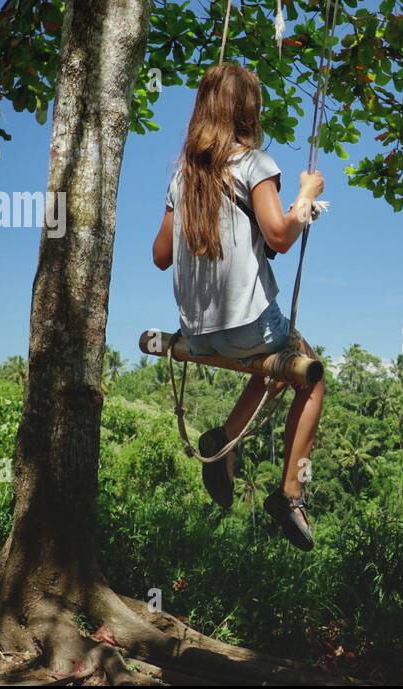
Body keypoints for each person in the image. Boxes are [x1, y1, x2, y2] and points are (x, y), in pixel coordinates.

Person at [151, 63, 325, 551]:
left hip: (198, 333)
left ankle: (222, 443)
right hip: (248, 324)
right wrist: (305, 200)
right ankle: (290, 493)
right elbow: (279, 236)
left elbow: (161, 256)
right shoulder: (254, 163)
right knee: (309, 372)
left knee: (272, 370)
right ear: (249, 111)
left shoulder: (183, 178)